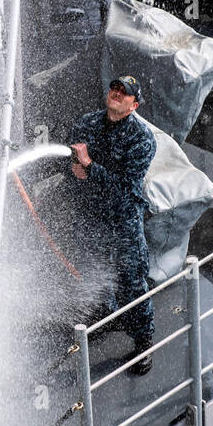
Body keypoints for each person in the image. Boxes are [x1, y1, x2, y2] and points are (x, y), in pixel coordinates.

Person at [68, 75, 157, 375]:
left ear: (135, 105)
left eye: (125, 93)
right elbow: (70, 160)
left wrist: (90, 167)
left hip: (123, 221)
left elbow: (123, 188)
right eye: (115, 89)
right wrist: (74, 170)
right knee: (93, 270)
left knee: (132, 282)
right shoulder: (87, 123)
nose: (117, 94)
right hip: (92, 216)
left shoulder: (142, 140)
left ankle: (144, 341)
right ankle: (106, 314)